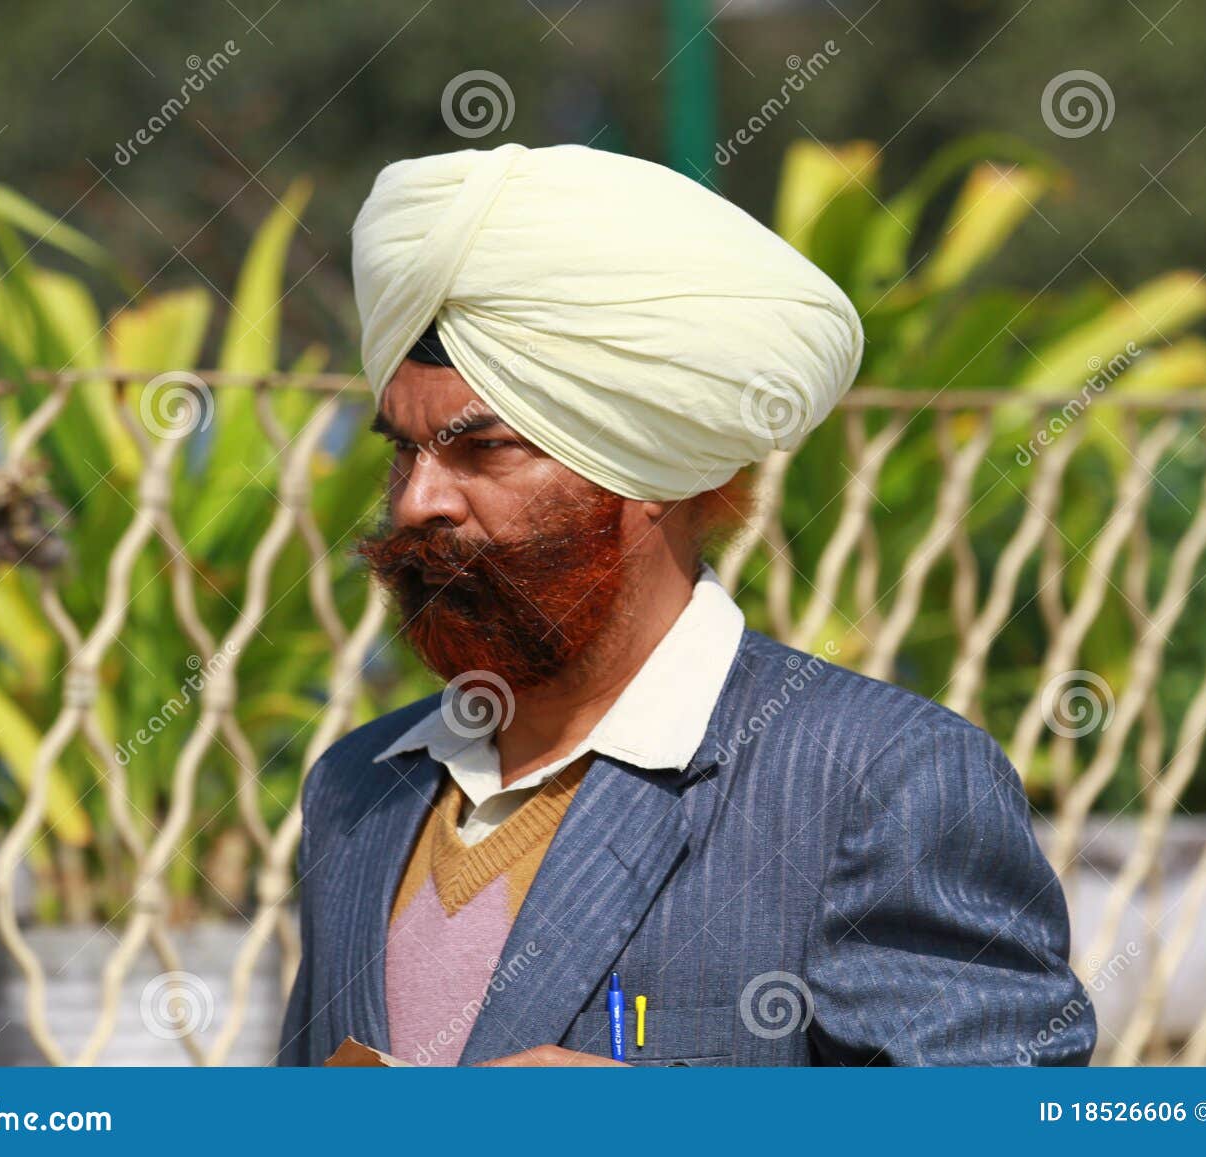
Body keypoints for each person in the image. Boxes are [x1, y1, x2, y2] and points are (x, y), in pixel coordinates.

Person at [276, 143, 1095, 1067]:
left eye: (485, 450)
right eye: (404, 450)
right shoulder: (358, 788)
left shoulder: (876, 782)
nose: (419, 500)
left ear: (647, 470)